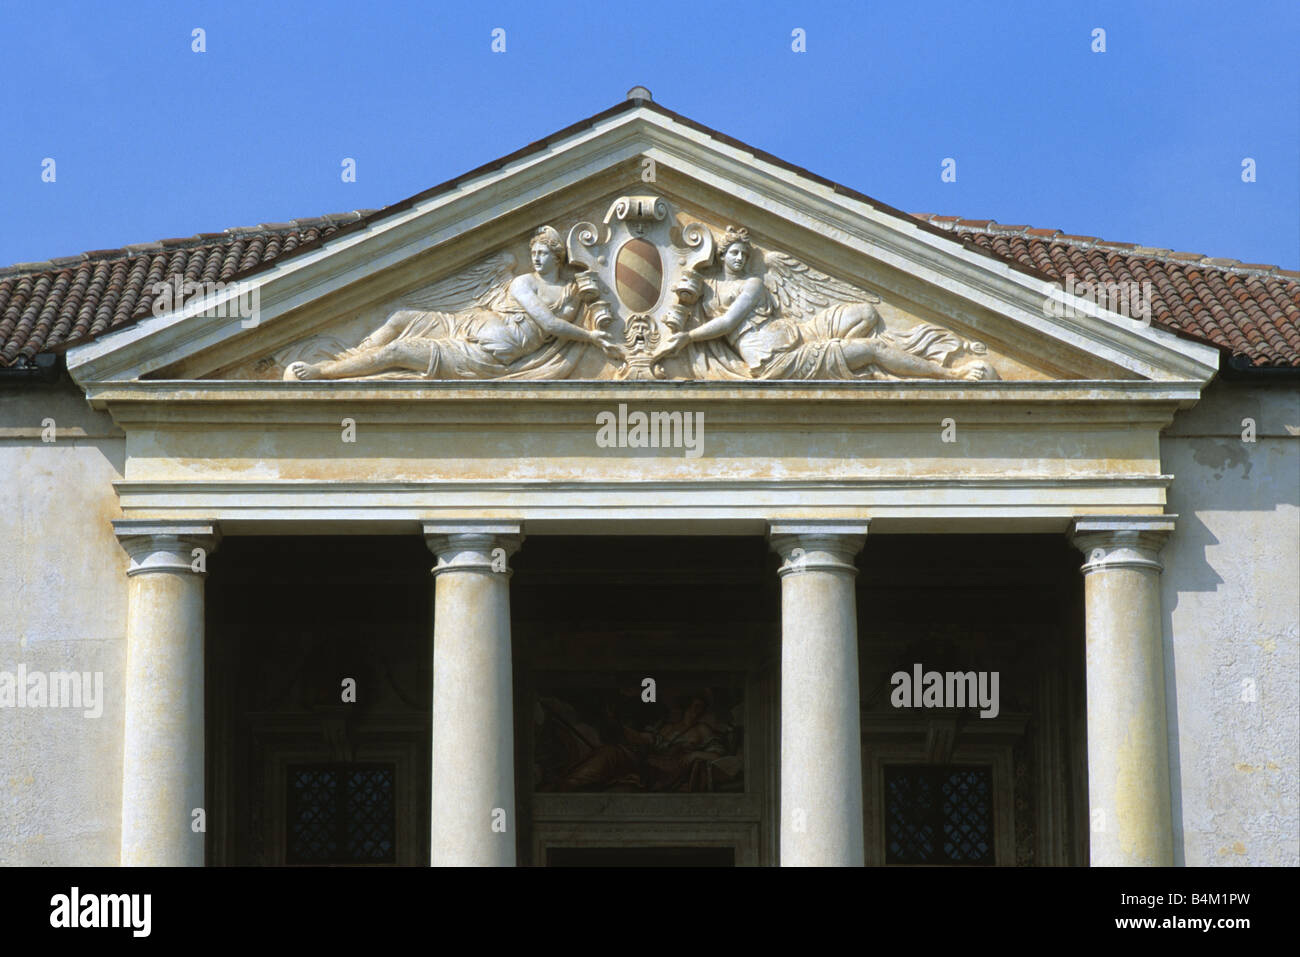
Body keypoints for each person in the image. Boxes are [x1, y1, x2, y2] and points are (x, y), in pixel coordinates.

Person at [651, 226, 996, 380]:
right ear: (723, 255)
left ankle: (848, 356)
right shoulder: (708, 289)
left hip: (800, 333)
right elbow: (721, 324)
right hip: (780, 362)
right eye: (734, 253)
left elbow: (727, 324)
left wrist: (688, 338)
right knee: (872, 349)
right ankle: (950, 373)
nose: (740, 258)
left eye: (745, 253)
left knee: (866, 312)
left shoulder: (755, 283)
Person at [285, 226, 621, 380]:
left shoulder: (568, 294)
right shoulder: (523, 282)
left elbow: (558, 323)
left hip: (480, 355)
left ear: (558, 256)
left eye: (542, 253)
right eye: (532, 252)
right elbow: (548, 325)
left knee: (397, 353)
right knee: (401, 316)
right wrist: (590, 337)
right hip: (466, 326)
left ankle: (324, 373)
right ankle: (352, 358)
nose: (534, 258)